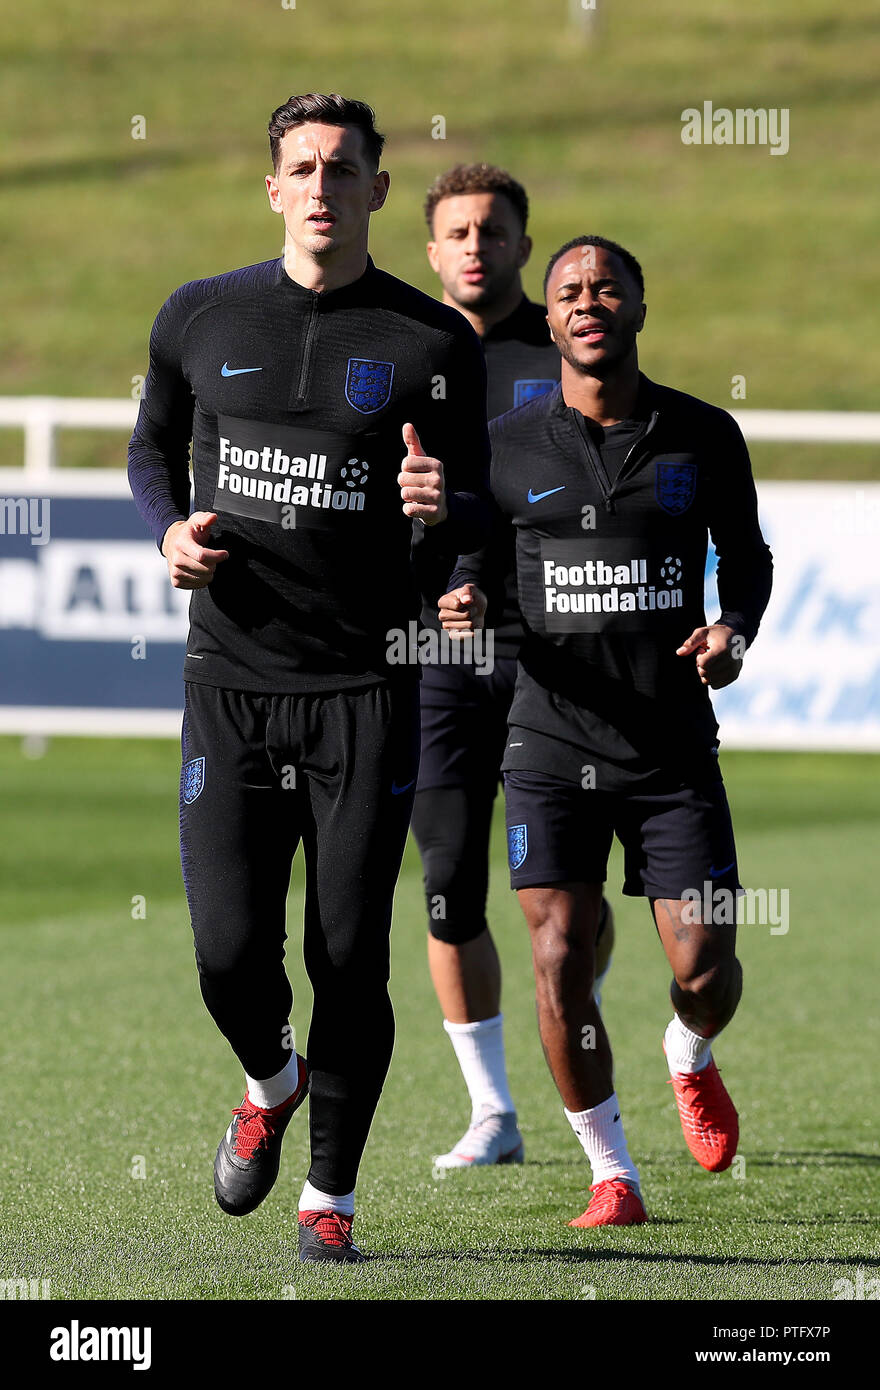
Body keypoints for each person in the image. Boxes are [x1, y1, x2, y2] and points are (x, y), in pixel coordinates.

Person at [128, 93, 491, 1263]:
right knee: (229, 954)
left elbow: (474, 514)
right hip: (228, 678)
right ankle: (270, 1080)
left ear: (378, 189)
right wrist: (166, 531)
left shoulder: (431, 346)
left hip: (364, 687)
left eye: (344, 167)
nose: (323, 185)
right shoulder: (198, 313)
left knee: (347, 954)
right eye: (302, 166)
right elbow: (150, 443)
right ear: (273, 187)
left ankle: (329, 1197)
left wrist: (448, 530)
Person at [439, 235, 772, 1226]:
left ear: (636, 308)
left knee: (704, 967)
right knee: (556, 954)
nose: (588, 302)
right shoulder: (505, 442)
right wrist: (459, 592)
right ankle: (610, 1170)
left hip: (670, 743)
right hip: (547, 740)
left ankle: (689, 1051)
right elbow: (468, 557)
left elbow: (744, 554)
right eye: (569, 292)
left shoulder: (702, 433)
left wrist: (732, 628)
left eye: (607, 288)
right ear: (548, 321)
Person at [411, 166, 614, 1172]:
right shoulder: (398, 349)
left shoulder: (569, 348)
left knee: (572, 902)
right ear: (431, 250)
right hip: (435, 653)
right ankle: (491, 1111)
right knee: (447, 881)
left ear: (524, 246)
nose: (476, 246)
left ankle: (573, 991)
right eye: (457, 232)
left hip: (554, 654)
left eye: (494, 230)